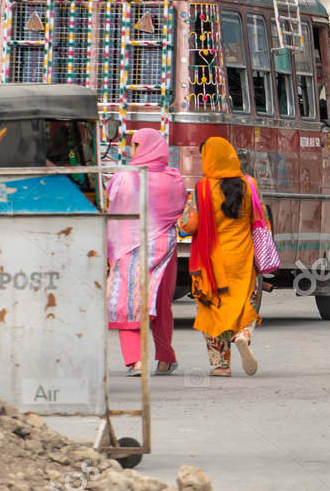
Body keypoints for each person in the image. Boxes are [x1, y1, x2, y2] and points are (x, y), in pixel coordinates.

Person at [180, 137, 262, 379]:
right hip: (243, 257)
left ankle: (220, 364)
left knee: (213, 308)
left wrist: (180, 222)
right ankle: (242, 335)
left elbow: (188, 224)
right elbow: (259, 219)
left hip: (212, 260)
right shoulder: (250, 184)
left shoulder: (203, 188)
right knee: (243, 303)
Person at [105, 129, 184, 376]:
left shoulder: (125, 177)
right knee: (160, 305)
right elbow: (179, 207)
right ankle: (164, 358)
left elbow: (111, 203)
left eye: (136, 145)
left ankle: (136, 361)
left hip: (128, 248)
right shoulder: (174, 177)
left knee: (128, 303)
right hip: (164, 249)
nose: (132, 151)